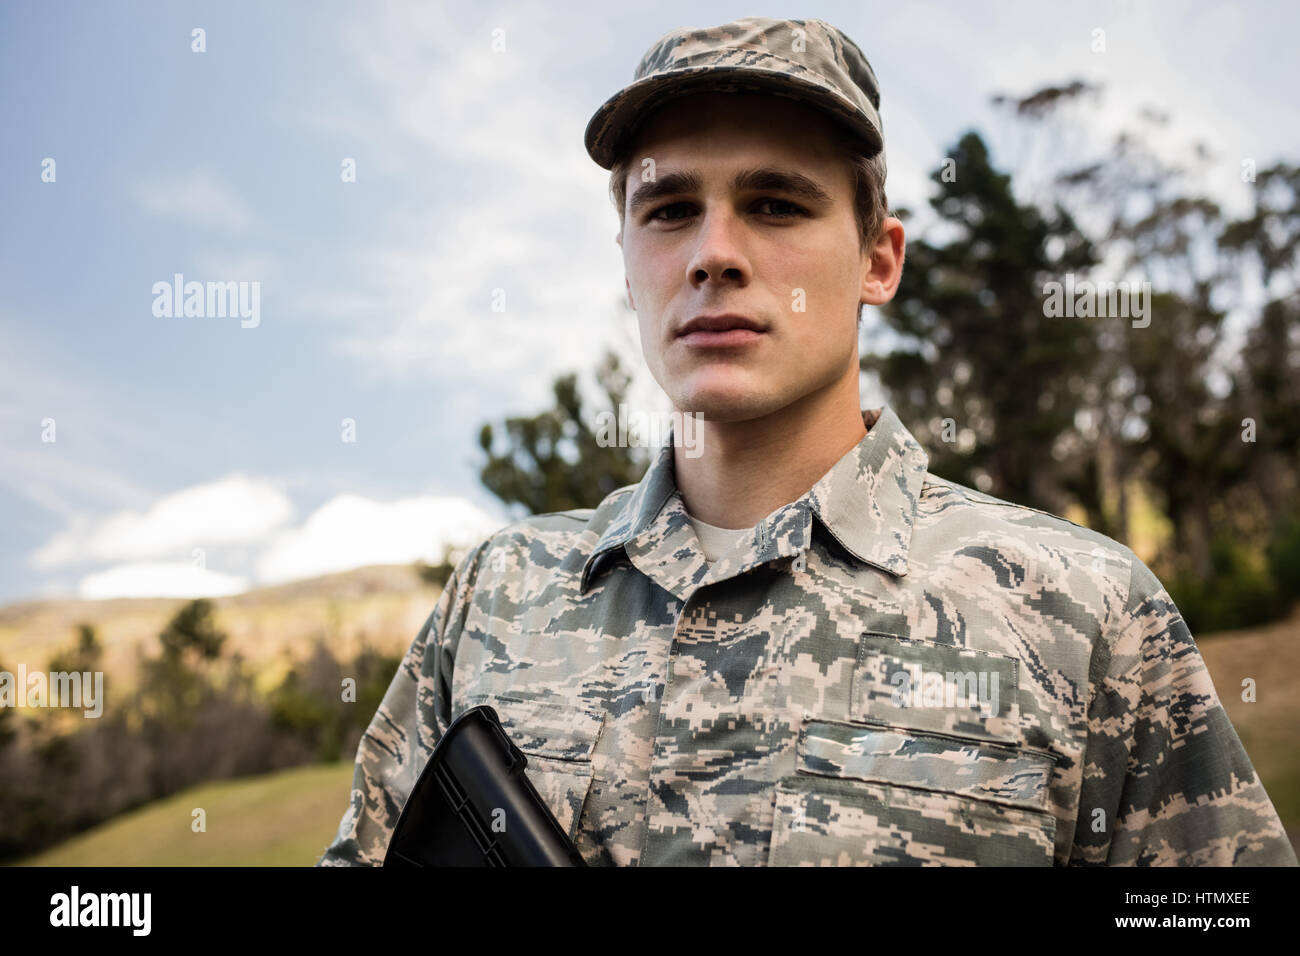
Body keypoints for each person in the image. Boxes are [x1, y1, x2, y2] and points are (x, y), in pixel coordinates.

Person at [318, 16, 1297, 866]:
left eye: (776, 203)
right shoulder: (498, 595)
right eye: (667, 211)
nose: (713, 255)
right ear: (626, 262)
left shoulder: (1082, 613)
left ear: (879, 257)